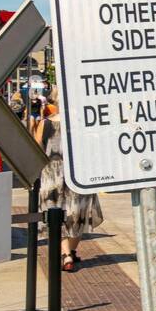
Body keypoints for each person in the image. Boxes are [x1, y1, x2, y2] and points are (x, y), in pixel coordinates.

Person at [34, 93, 103, 272]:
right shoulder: (83, 121)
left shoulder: (46, 123)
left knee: (55, 216)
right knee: (78, 214)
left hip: (51, 174)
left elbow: (36, 148)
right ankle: (70, 251)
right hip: (78, 173)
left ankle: (66, 254)